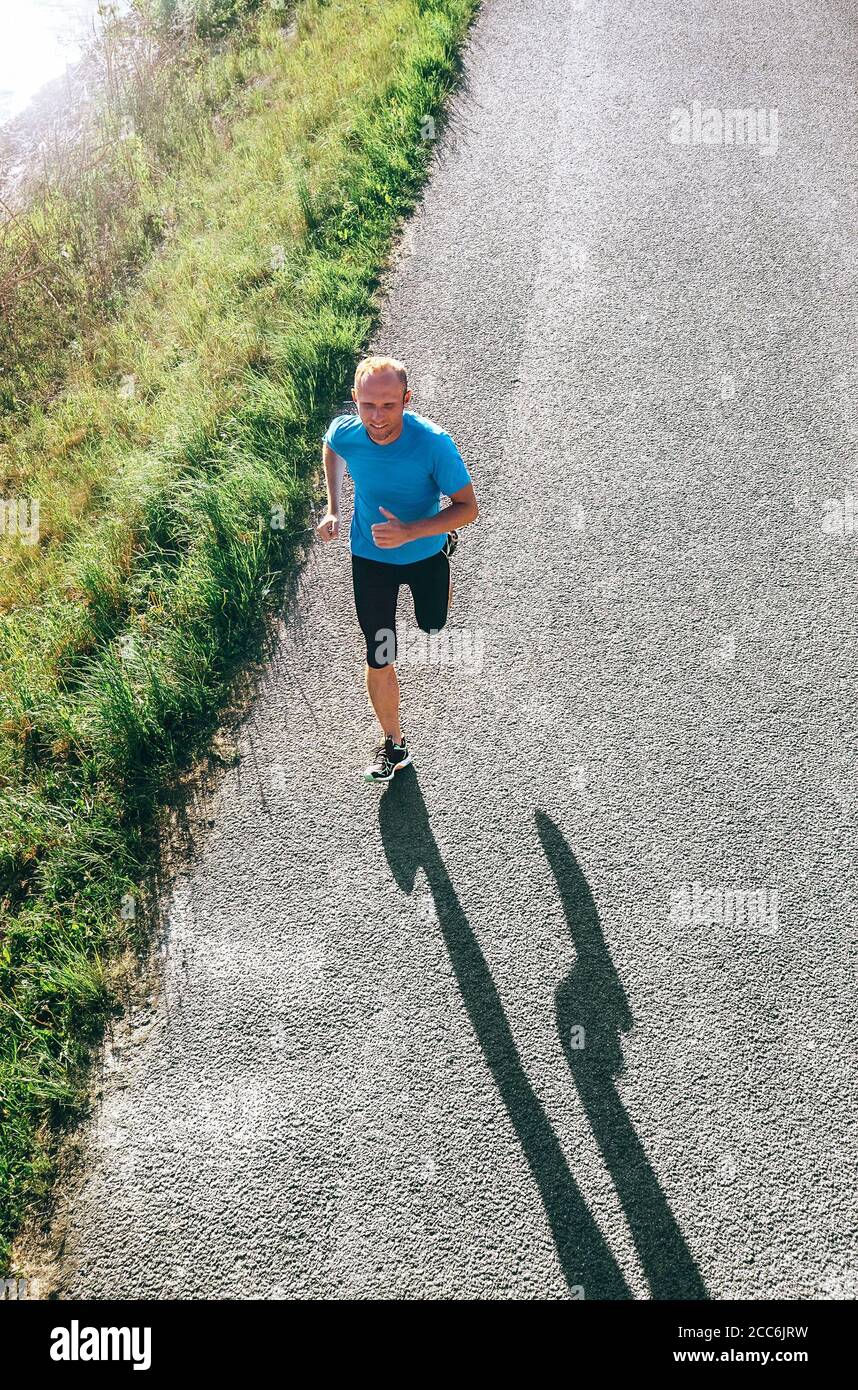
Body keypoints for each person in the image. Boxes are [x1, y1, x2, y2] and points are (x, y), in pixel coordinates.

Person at [318, 355, 479, 782]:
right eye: (367, 405)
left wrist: (412, 531)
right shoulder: (347, 432)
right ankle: (394, 745)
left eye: (389, 405)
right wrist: (334, 507)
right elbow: (332, 446)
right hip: (371, 558)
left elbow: (468, 508)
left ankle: (445, 551)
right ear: (355, 400)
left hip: (424, 551)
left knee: (431, 627)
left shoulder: (434, 445)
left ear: (407, 399)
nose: (377, 417)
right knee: (380, 650)